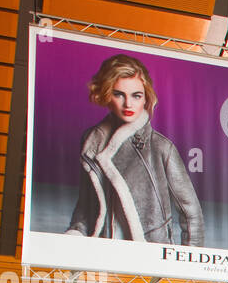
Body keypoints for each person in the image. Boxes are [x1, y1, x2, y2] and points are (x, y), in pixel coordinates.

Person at [67, 53, 204, 246]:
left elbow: (192, 214)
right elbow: (86, 205)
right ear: (106, 94)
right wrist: (75, 236)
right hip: (101, 252)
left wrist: (187, 266)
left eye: (136, 95)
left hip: (148, 254)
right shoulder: (92, 142)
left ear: (146, 98)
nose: (128, 104)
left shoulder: (161, 148)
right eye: (118, 94)